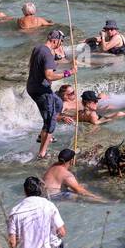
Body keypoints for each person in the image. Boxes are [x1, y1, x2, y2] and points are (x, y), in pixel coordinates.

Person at [29, 30, 74, 158]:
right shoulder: (47, 54)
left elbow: (38, 64)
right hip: (41, 90)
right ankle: (42, 153)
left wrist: (69, 64)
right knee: (50, 122)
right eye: (61, 41)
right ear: (55, 40)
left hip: (32, 86)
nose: (61, 44)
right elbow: (49, 75)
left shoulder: (38, 48)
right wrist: (69, 73)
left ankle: (42, 135)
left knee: (58, 102)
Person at [6, 177, 66, 248]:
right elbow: (62, 232)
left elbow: (12, 241)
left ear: (25, 191)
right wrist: (55, 240)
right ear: (40, 189)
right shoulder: (49, 205)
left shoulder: (15, 211)